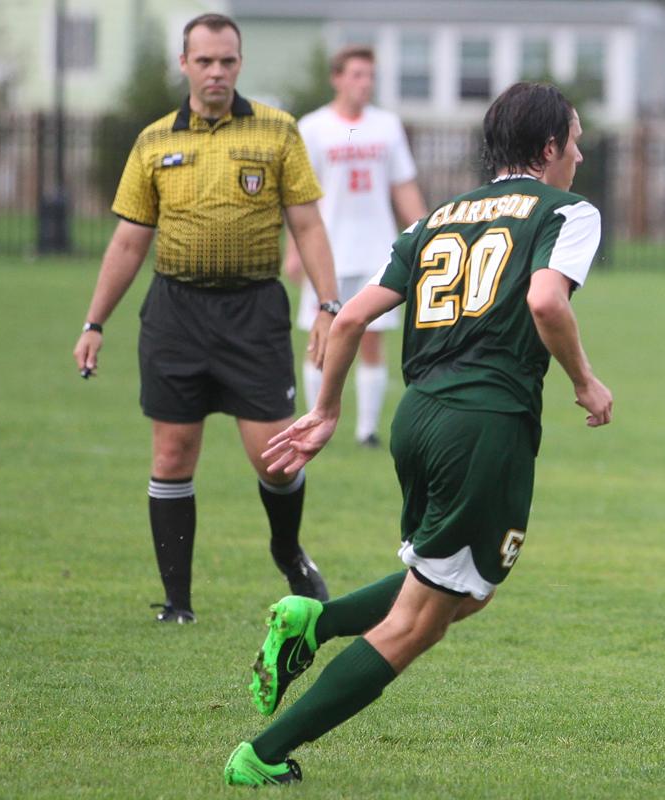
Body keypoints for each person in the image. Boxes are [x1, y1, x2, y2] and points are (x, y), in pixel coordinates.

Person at [222, 82, 613, 786]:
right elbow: (546, 299)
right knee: (416, 625)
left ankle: (313, 622)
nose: (580, 156)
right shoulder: (568, 212)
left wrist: (328, 410)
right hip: (483, 425)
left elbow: (346, 320)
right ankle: (262, 754)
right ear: (549, 148)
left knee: (463, 592)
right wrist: (585, 381)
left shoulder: (439, 217)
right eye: (575, 141)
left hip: (420, 417)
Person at [73, 14, 339, 623]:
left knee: (275, 457)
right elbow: (127, 243)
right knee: (171, 455)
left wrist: (327, 305)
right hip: (176, 313)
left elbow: (307, 224)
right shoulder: (154, 141)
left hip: (253, 311)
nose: (216, 71)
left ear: (239, 64)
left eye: (227, 60)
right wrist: (94, 323)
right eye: (205, 61)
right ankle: (178, 602)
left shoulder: (277, 132)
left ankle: (288, 550)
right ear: (184, 63)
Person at [285, 45, 427, 448]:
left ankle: (367, 430)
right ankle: (314, 420)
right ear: (338, 78)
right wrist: (294, 249)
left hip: (376, 249)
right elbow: (299, 198)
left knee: (371, 338)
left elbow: (404, 188)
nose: (364, 83)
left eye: (370, 75)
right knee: (321, 336)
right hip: (326, 251)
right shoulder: (312, 127)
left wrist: (423, 236)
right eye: (357, 74)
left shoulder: (386, 126)